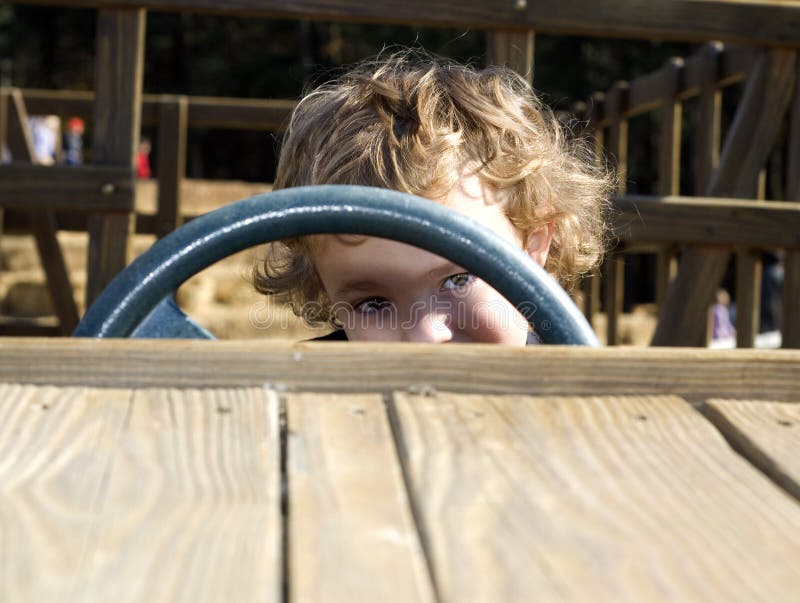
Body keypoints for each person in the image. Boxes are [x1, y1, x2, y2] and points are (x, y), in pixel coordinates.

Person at [254, 51, 612, 345]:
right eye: (374, 304)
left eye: (459, 279)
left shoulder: (590, 405)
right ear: (325, 289)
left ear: (535, 244)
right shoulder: (304, 403)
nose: (426, 337)